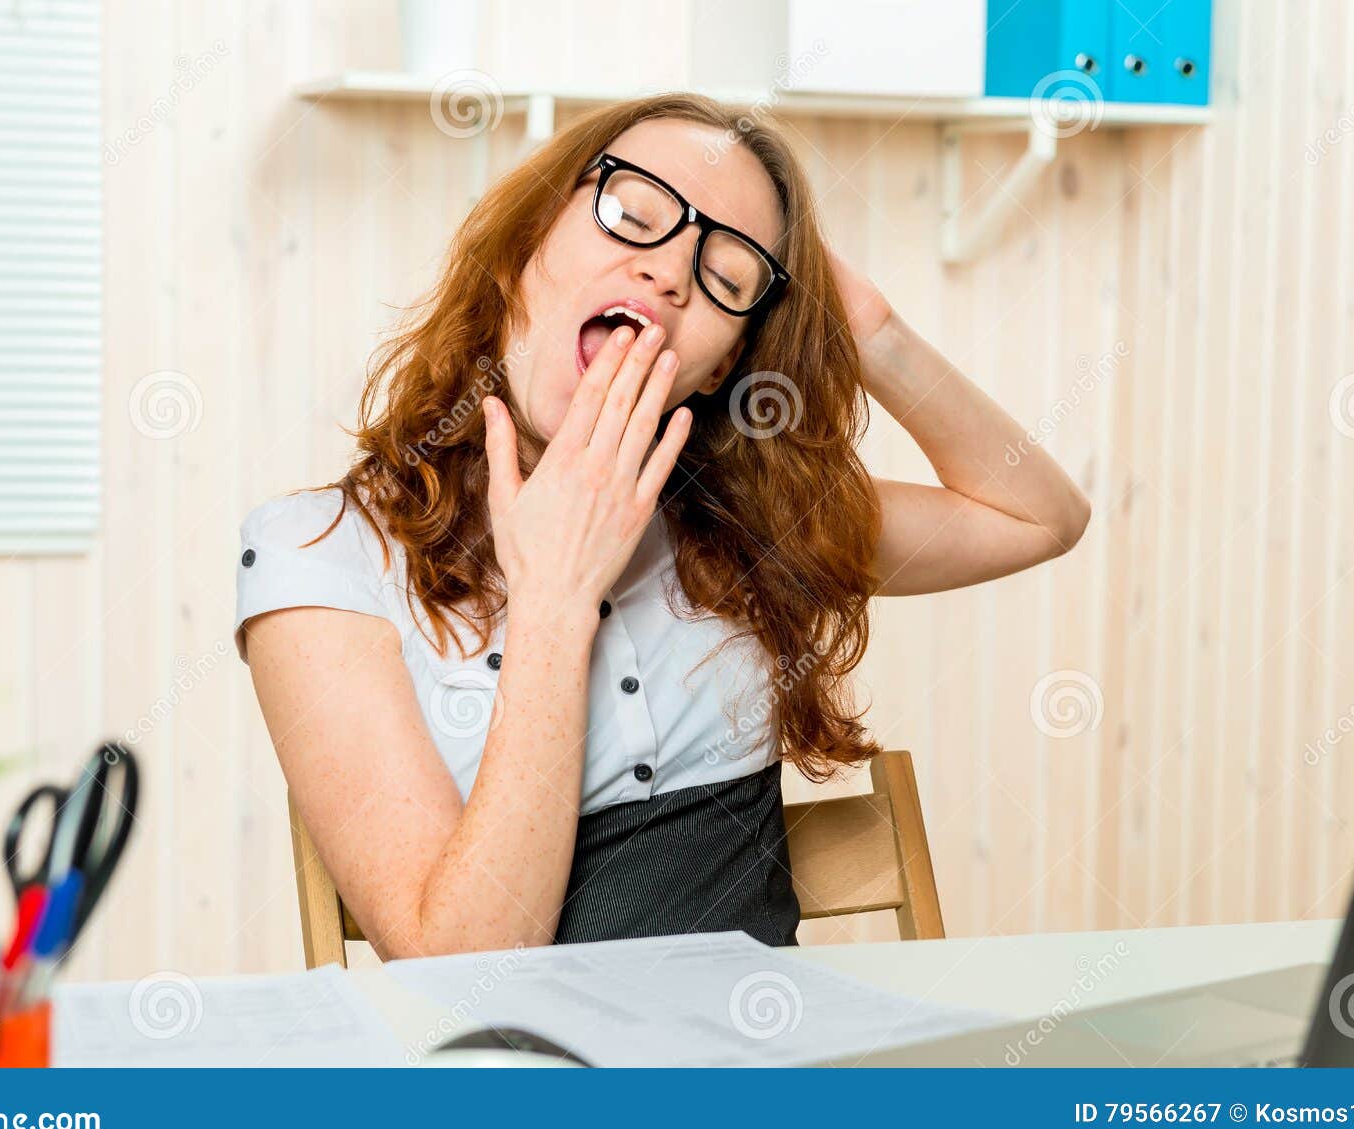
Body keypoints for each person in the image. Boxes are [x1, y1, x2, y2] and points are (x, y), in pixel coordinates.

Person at [233, 93, 1090, 960]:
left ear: (722, 365)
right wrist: (556, 598)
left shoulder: (748, 516)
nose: (670, 274)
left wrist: (866, 327)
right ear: (522, 246)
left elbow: (1038, 516)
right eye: (631, 216)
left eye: (727, 278)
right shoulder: (317, 559)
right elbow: (458, 968)